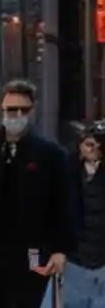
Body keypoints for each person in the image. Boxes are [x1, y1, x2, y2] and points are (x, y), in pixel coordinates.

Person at [0, 79, 73, 308]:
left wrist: (60, 250)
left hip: (32, 251)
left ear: (32, 111)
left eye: (23, 110)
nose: (17, 115)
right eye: (11, 109)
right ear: (2, 110)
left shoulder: (51, 155)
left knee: (27, 301)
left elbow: (63, 205)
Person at [62, 120, 105, 307]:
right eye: (89, 144)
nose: (93, 149)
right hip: (75, 263)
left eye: (100, 145)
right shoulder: (66, 173)